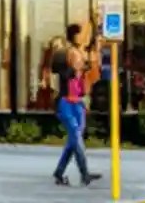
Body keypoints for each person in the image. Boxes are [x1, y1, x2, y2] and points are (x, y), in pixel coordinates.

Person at [53, 23, 101, 187]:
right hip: (66, 102)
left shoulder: (81, 53)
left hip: (78, 103)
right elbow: (59, 71)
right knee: (76, 137)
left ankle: (59, 173)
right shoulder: (63, 53)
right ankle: (85, 173)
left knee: (73, 140)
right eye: (80, 35)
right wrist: (75, 69)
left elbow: (89, 78)